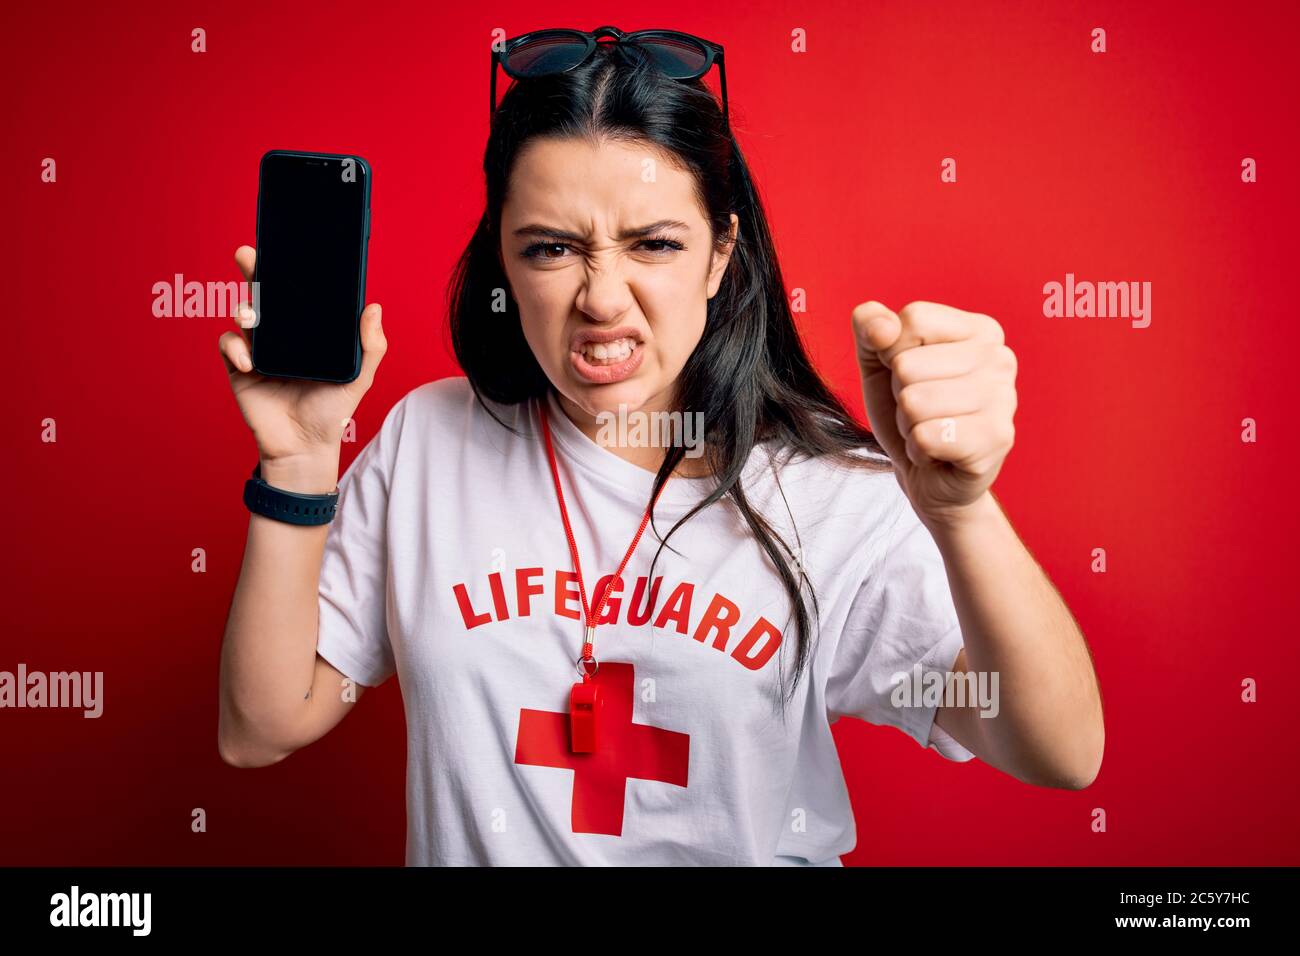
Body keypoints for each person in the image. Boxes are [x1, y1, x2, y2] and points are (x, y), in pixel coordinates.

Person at [216, 27, 1104, 866]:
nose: (602, 297)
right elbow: (260, 726)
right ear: (503, 263)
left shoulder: (830, 492)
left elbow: (1055, 747)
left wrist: (961, 513)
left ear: (720, 256)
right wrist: (297, 461)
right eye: (552, 248)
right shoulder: (429, 444)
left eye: (655, 244)